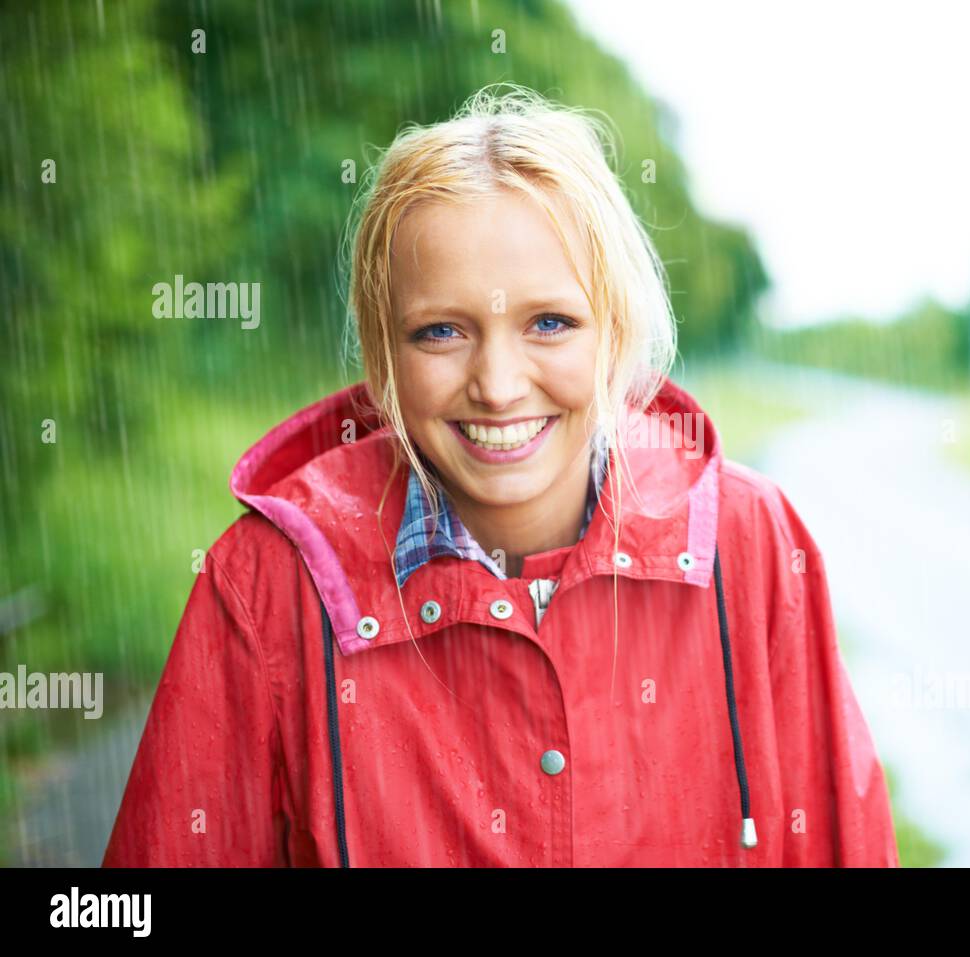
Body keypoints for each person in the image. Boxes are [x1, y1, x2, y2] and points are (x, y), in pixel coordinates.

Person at [101, 84, 900, 867]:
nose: (499, 382)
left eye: (549, 322)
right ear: (382, 361)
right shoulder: (264, 585)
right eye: (441, 331)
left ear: (615, 334)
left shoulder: (751, 542)